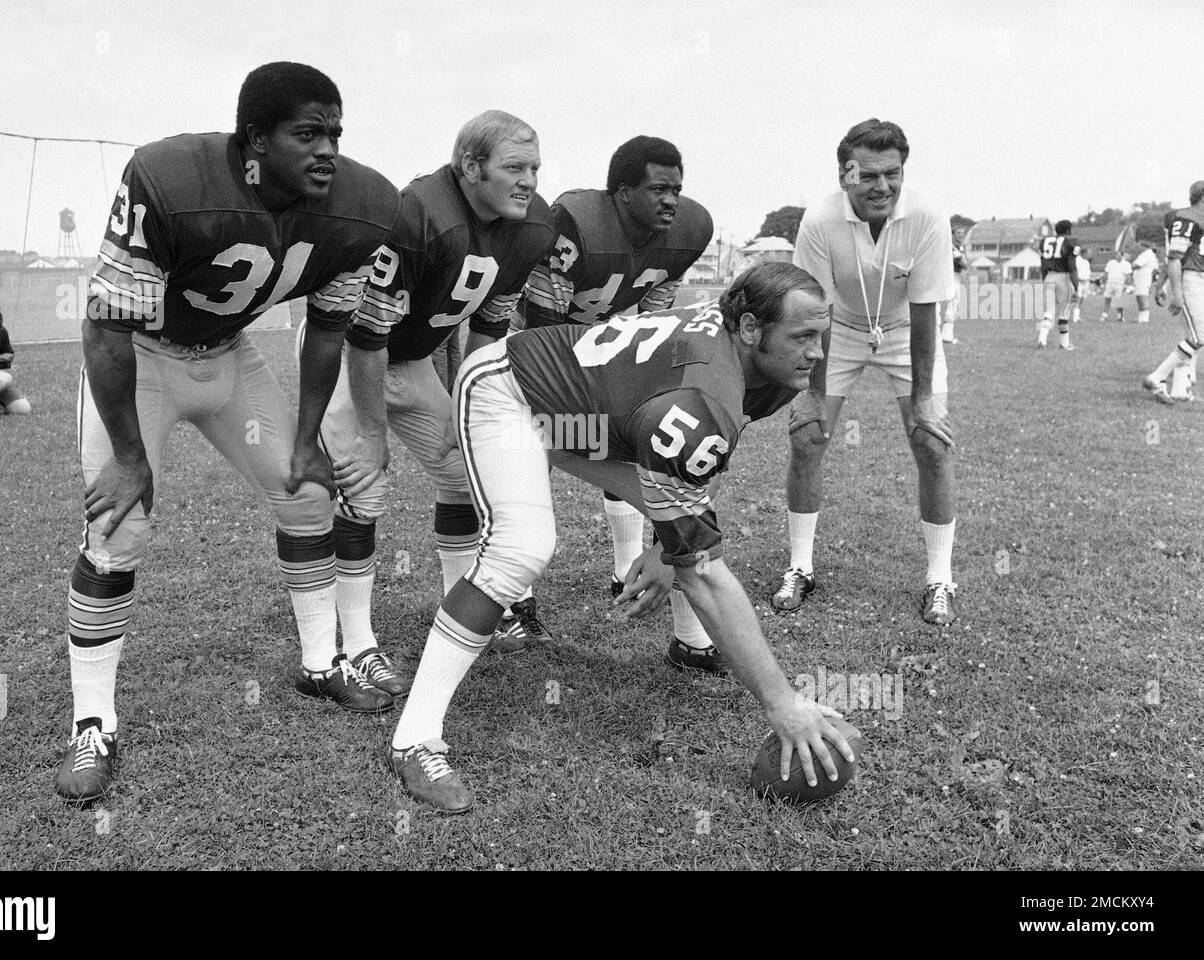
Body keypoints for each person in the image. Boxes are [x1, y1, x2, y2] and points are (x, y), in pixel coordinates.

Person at [54, 62, 401, 803]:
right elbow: (108, 328)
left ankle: (319, 663)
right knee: (119, 527)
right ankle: (93, 719)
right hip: (140, 353)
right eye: (306, 133)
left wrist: (308, 438)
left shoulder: (363, 208)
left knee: (306, 492)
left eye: (335, 133)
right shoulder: (170, 177)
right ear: (254, 140)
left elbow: (328, 332)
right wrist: (127, 456)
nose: (327, 150)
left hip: (229, 358)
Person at [387, 261, 851, 813]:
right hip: (513, 391)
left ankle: (692, 645)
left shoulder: (751, 364)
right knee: (521, 547)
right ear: (749, 328)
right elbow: (701, 567)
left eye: (821, 336)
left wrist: (667, 543)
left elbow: (685, 489)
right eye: (802, 337)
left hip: (592, 412)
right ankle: (414, 737)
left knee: (687, 533)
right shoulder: (701, 398)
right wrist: (782, 704)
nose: (817, 353)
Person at [307, 110, 556, 669]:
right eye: (514, 166)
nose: (530, 181)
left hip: (413, 357)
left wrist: (464, 404)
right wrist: (373, 435)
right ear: (470, 166)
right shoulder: (420, 213)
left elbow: (490, 328)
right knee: (362, 486)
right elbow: (366, 334)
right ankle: (359, 642)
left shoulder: (532, 228)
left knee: (460, 472)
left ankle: (457, 607)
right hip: (355, 354)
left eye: (535, 167)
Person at [521, 135, 720, 672]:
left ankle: (689, 635)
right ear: (623, 192)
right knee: (521, 480)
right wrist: (567, 413)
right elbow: (541, 330)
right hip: (530, 358)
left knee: (655, 459)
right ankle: (515, 603)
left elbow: (653, 318)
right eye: (659, 188)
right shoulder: (578, 224)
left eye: (677, 189)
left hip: (605, 348)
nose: (672, 200)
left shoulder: (686, 233)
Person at [770, 118, 959, 626]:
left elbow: (925, 313)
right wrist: (813, 392)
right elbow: (815, 309)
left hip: (903, 327)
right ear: (844, 175)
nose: (882, 187)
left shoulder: (927, 213)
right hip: (841, 326)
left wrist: (923, 399)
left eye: (892, 174)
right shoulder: (818, 221)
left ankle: (939, 578)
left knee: (931, 442)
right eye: (869, 176)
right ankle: (800, 567)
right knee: (808, 437)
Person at [1143, 180, 1204, 405]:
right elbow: (1174, 258)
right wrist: (1176, 293)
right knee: (1199, 336)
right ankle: (1157, 377)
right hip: (1191, 280)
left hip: (1198, 278)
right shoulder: (1187, 218)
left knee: (1192, 337)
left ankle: (1178, 388)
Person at [1036, 220, 1079, 349]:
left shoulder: (1045, 241)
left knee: (1048, 311)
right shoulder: (1071, 242)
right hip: (1063, 277)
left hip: (1049, 276)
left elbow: (1043, 263)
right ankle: (1064, 343)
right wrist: (1076, 286)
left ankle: (1042, 339)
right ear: (1068, 230)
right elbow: (1072, 267)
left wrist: (1045, 278)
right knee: (1064, 312)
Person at [940, 226, 967, 344]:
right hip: (951, 276)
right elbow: (964, 263)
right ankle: (946, 336)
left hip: (956, 277)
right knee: (952, 304)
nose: (960, 235)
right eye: (958, 233)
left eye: (962, 233)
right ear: (953, 234)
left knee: (955, 305)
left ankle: (947, 334)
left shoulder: (959, 248)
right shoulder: (950, 248)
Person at [1131, 237, 1160, 324]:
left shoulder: (1146, 254)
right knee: (1140, 297)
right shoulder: (1150, 254)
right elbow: (1155, 269)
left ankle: (1144, 318)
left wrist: (1130, 266)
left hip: (1142, 278)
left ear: (1143, 246)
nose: (1138, 248)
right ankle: (1142, 316)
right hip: (1144, 278)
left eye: (1139, 246)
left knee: (1142, 297)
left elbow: (1137, 265)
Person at [1101, 252, 1131, 321]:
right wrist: (1103, 283)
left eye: (1119, 255)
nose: (1117, 256)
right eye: (1116, 255)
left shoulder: (1126, 264)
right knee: (1107, 299)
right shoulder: (1110, 263)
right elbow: (1106, 273)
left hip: (1120, 285)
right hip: (1110, 283)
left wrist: (1127, 285)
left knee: (1119, 301)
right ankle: (1104, 315)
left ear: (1122, 256)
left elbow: (1128, 275)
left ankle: (1120, 316)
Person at [1072, 245, 1091, 323]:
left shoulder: (1086, 262)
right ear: (1084, 253)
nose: (1089, 255)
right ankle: (1074, 317)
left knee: (1081, 300)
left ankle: (1077, 316)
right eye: (1088, 253)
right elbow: (1074, 271)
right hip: (1079, 282)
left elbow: (1088, 273)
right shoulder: (1077, 260)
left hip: (1086, 282)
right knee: (1078, 299)